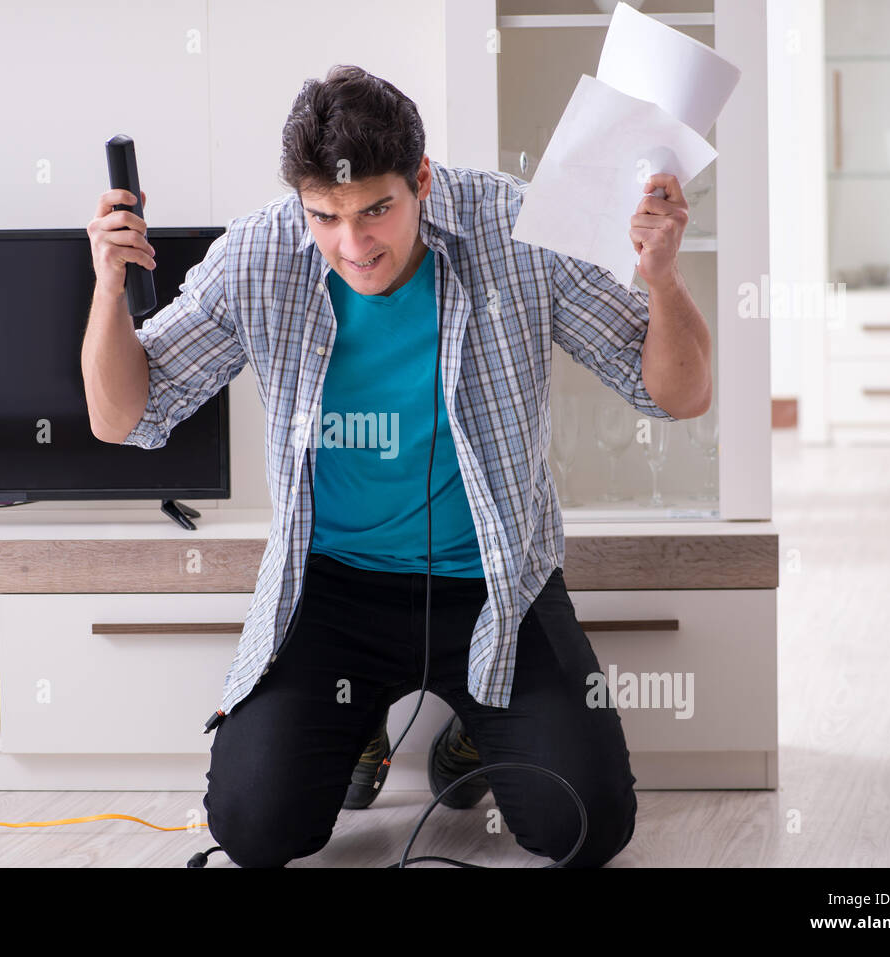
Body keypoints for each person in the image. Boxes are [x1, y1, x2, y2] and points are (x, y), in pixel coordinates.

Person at [81, 64, 711, 868]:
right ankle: (360, 721)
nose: (354, 245)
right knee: (253, 827)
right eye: (326, 216)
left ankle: (473, 728)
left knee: (585, 827)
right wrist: (108, 290)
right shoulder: (258, 252)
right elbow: (125, 416)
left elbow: (677, 394)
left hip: (494, 583)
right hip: (331, 588)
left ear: (422, 179)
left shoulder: (515, 227)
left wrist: (662, 279)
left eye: (376, 210)